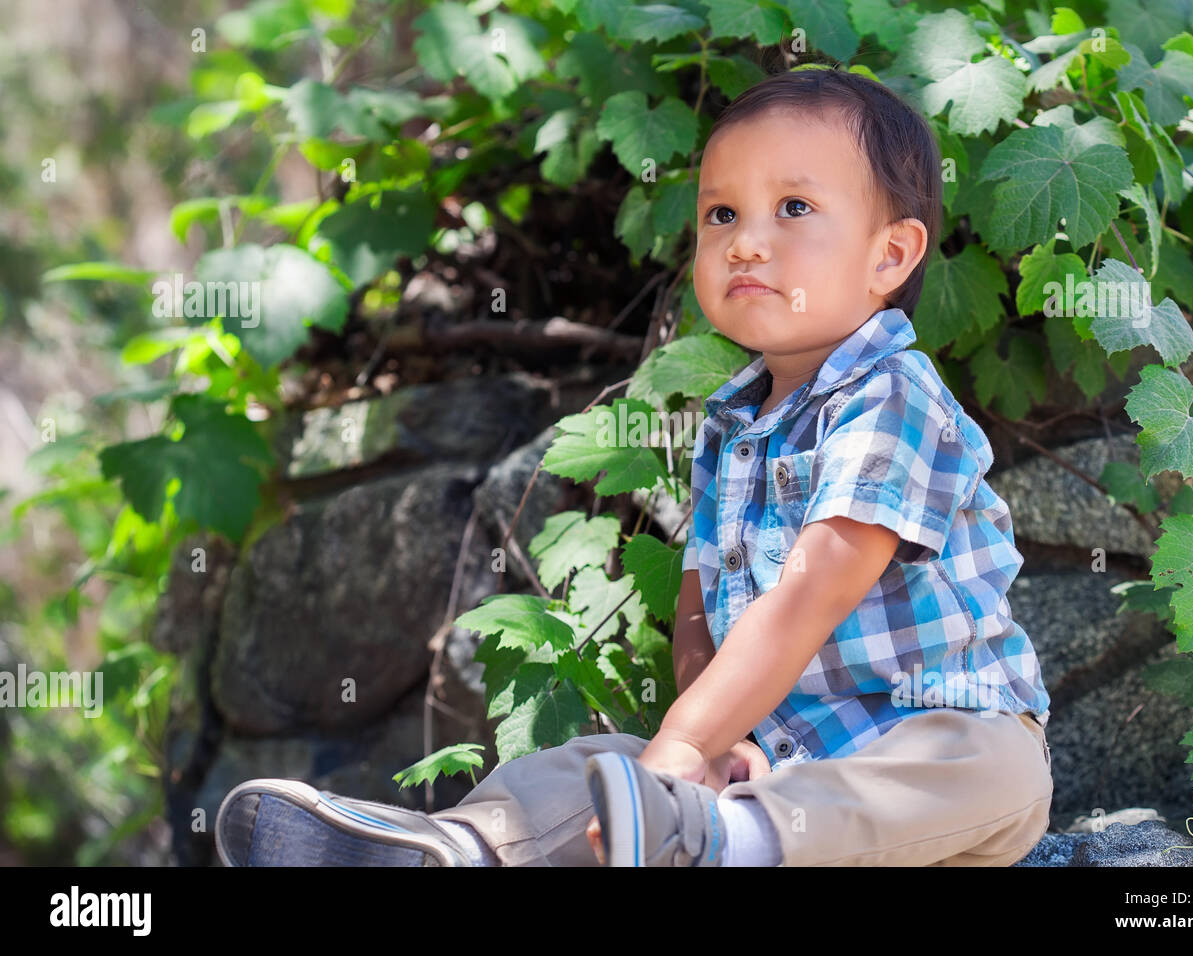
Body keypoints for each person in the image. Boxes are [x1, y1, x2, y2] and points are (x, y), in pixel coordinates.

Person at [215, 67, 1053, 868]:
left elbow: (812, 593)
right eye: (721, 214)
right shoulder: (732, 422)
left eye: (793, 207)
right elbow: (700, 610)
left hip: (934, 744)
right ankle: (462, 847)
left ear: (890, 256)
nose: (746, 244)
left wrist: (687, 744)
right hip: (783, 762)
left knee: (978, 764)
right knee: (588, 765)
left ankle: (729, 843)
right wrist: (721, 743)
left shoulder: (892, 397)